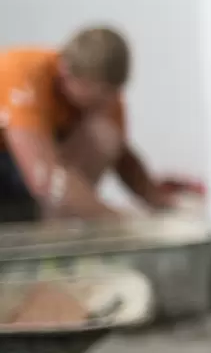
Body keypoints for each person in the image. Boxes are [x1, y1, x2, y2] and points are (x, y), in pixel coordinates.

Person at [0, 26, 188, 223]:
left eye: (109, 96)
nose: (105, 104)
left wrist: (159, 201)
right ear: (65, 72)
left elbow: (122, 157)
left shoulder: (106, 98)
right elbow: (45, 177)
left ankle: (57, 223)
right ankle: (57, 222)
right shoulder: (23, 73)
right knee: (54, 181)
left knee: (103, 134)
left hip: (28, 170)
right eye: (95, 97)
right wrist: (118, 222)